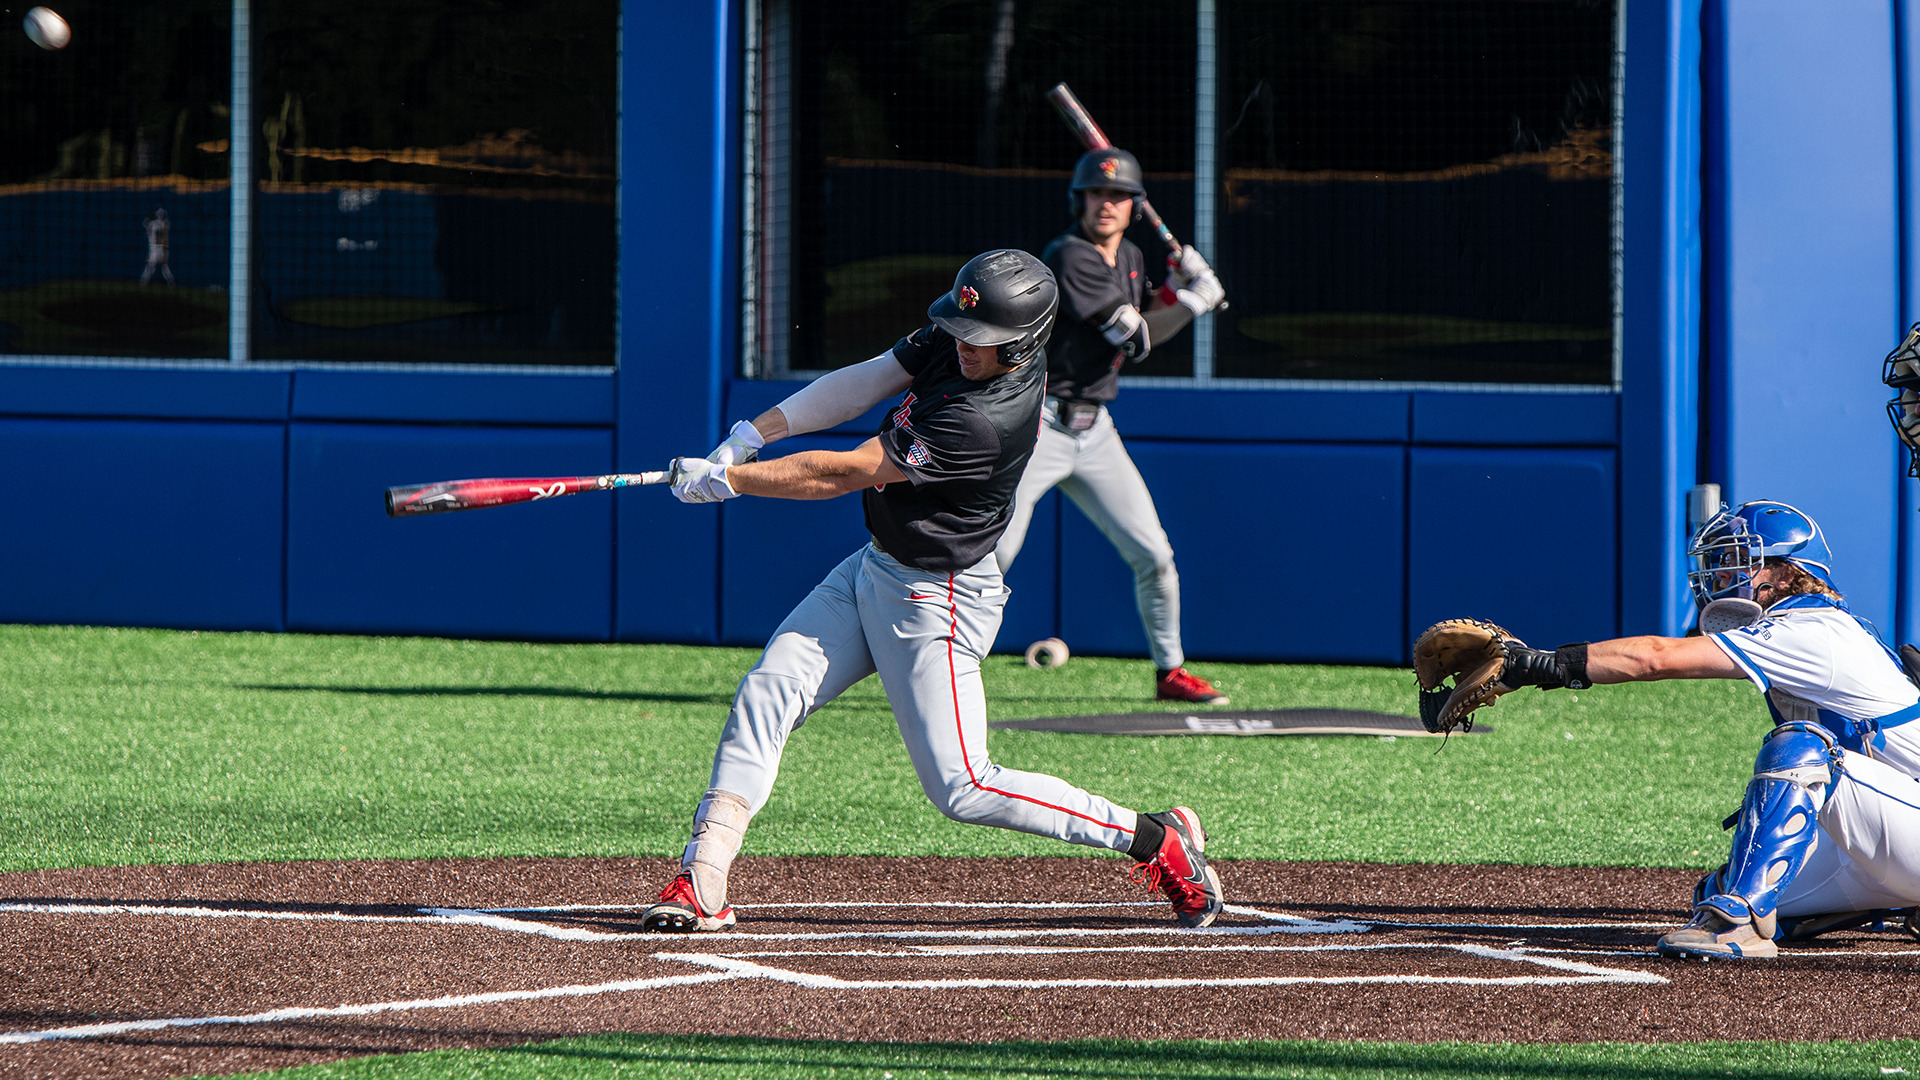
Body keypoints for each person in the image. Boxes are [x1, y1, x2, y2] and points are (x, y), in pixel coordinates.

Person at [641, 249, 1224, 934]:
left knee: (964, 788)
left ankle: (1156, 840)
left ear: (1025, 342)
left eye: (982, 341)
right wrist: (748, 436)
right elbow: (865, 381)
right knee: (768, 689)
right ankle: (704, 873)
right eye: (961, 330)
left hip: (938, 597)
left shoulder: (983, 417)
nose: (964, 346)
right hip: (876, 567)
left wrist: (730, 482)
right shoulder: (966, 334)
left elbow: (850, 471)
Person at [1439, 500, 1920, 959]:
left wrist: (1538, 665)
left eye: (1738, 562)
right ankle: (1890, 898)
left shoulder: (1815, 631)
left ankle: (1741, 928)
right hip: (1893, 833)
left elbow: (1655, 657)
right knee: (1720, 887)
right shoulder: (1810, 630)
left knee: (1802, 747)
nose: (1723, 577)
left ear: (1784, 571)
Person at [993, 148, 1231, 705]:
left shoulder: (1127, 253)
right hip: (1042, 424)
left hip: (1095, 429)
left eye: (1119, 196)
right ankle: (940, 655)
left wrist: (1175, 287)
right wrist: (1197, 302)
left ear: (1133, 206)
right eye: (1098, 194)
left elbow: (1143, 307)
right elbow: (1134, 338)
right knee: (997, 553)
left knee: (1153, 554)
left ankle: (1170, 672)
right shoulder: (1068, 255)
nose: (1107, 203)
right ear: (1081, 200)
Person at [140, 207, 174, 285]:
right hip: (158, 248)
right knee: (160, 266)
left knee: (153, 266)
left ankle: (143, 282)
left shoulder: (157, 223)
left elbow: (145, 225)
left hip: (157, 248)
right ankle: (171, 281)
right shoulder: (162, 223)